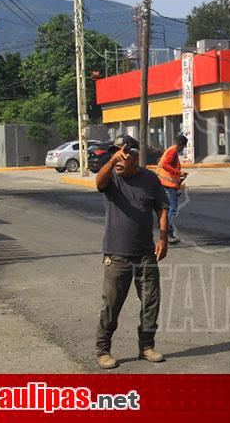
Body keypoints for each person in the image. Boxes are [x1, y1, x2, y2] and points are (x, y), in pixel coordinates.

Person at [94, 135, 170, 370]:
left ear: (135, 156)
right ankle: (103, 350)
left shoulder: (149, 179)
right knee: (112, 305)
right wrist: (111, 161)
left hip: (146, 253)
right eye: (114, 152)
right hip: (116, 254)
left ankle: (146, 346)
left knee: (151, 302)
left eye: (123, 153)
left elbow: (162, 208)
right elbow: (98, 182)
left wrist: (163, 238)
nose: (118, 157)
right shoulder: (111, 178)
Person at [156, 134, 188, 244]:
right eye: (183, 147)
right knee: (172, 209)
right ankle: (165, 232)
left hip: (166, 184)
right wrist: (179, 172)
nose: (182, 149)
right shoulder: (173, 151)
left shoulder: (170, 150)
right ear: (180, 144)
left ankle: (168, 232)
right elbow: (165, 165)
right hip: (167, 185)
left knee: (168, 209)